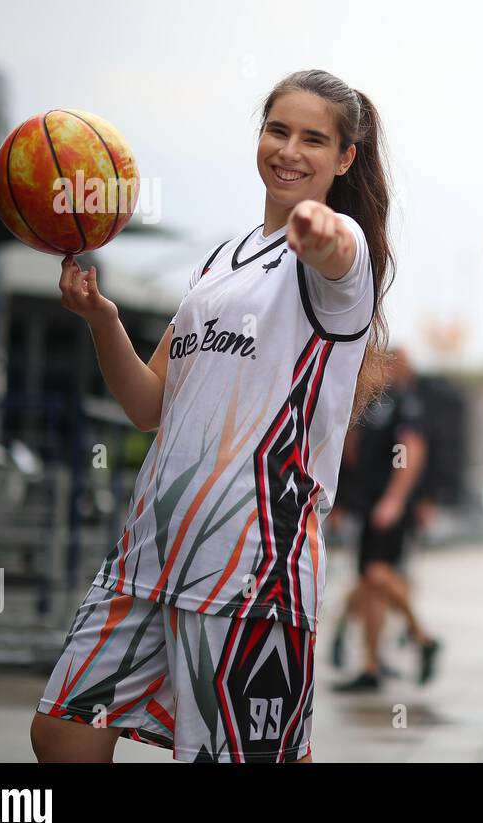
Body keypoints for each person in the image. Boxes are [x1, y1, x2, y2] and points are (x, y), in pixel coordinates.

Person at [30, 70, 393, 763]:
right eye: (277, 130)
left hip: (251, 563)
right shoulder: (221, 262)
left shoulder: (339, 262)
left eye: (313, 140)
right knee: (62, 732)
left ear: (345, 158)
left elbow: (337, 249)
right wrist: (102, 319)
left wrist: (320, 228)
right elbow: (146, 404)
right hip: (152, 549)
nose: (289, 150)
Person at [334, 348, 440, 692]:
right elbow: (352, 454)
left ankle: (422, 635)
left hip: (387, 506)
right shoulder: (368, 404)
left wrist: (395, 499)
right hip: (367, 503)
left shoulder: (403, 401)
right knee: (369, 585)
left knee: (377, 574)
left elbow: (413, 449)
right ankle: (371, 665)